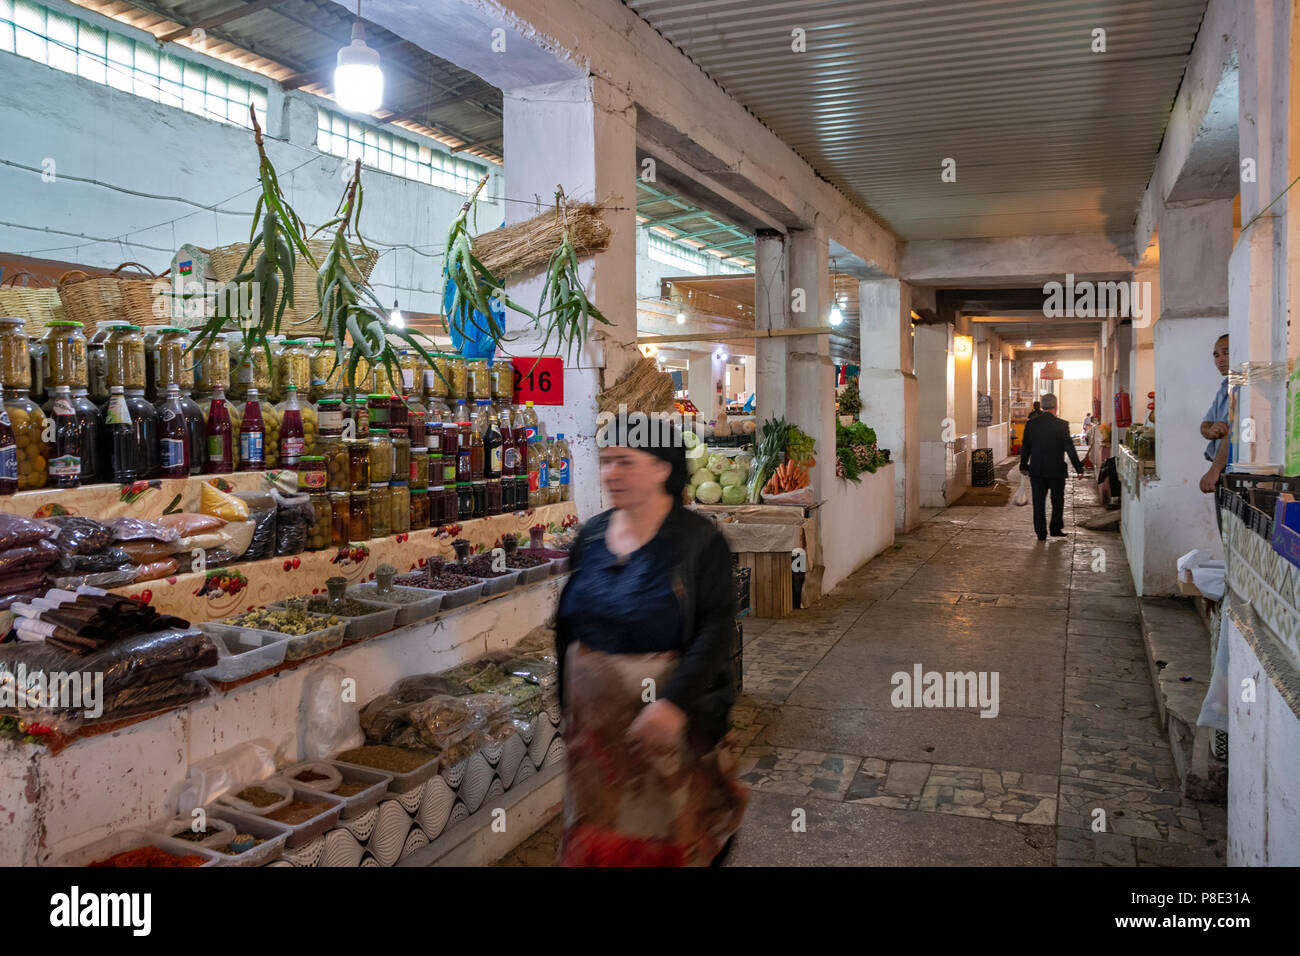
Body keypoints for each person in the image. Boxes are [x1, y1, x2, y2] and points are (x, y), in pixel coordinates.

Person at [555, 412, 748, 866]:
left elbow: (716, 629)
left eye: (624, 461)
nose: (610, 474)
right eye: (604, 462)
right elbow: (568, 622)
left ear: (662, 467)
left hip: (669, 729)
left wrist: (674, 705)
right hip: (598, 739)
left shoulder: (700, 541)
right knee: (602, 838)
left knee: (670, 840)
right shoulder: (593, 534)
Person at [1019, 392, 1083, 539]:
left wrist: (1023, 465)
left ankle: (1041, 534)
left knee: (1038, 503)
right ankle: (1055, 529)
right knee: (1057, 501)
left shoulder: (1031, 424)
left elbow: (1026, 446)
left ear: (1042, 406)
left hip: (1037, 470)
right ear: (1056, 406)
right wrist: (1078, 467)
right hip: (1056, 471)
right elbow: (1069, 448)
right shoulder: (1062, 425)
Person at [1199, 333, 1230, 495]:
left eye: (1226, 353)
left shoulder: (1245, 389)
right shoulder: (1224, 389)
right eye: (1216, 355)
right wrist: (1210, 431)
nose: (1220, 360)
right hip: (1223, 471)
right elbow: (1204, 425)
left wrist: (1214, 469)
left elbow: (1234, 433)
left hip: (1233, 469)